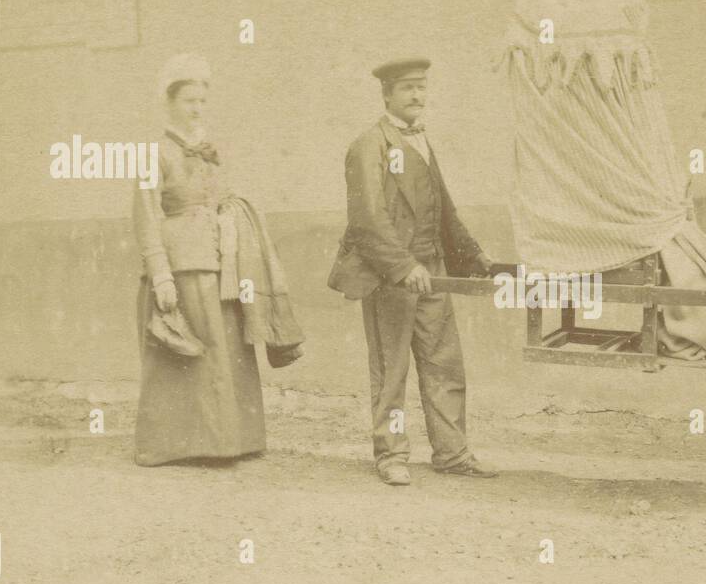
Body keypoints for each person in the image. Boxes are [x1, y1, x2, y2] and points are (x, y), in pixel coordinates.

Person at [328, 57, 497, 486]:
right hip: (391, 275)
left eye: (421, 87)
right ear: (387, 94)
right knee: (392, 369)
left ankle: (452, 452)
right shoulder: (370, 144)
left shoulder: (423, 143)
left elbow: (444, 207)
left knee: (444, 363)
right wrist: (404, 267)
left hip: (433, 270)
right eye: (406, 88)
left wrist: (474, 256)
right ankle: (392, 455)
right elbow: (368, 218)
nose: (417, 96)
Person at [133, 54, 303, 466]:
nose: (197, 109)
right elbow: (145, 218)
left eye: (202, 101)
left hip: (223, 263)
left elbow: (224, 198)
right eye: (189, 100)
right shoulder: (152, 154)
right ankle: (178, 445)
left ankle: (232, 441)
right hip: (181, 264)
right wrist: (161, 276)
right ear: (169, 102)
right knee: (187, 354)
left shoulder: (211, 150)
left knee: (227, 351)